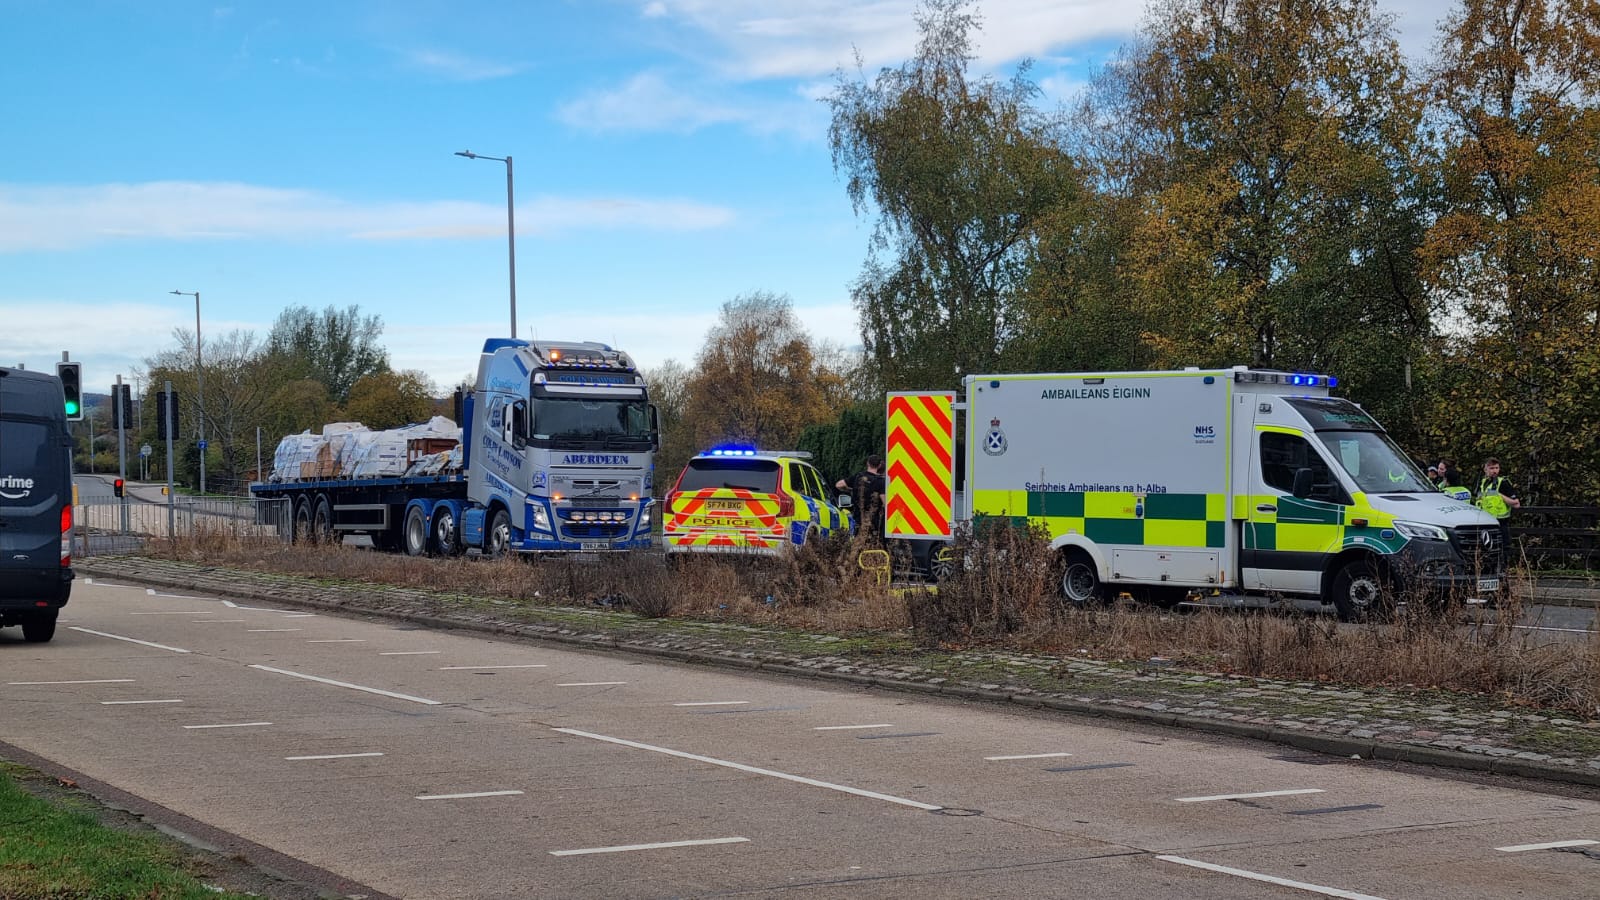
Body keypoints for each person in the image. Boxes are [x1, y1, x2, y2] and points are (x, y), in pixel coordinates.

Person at [836, 455, 886, 538]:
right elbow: (885, 502)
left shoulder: (858, 476)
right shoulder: (880, 481)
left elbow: (838, 485)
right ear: (879, 465)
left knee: (858, 539)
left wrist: (850, 490)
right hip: (874, 521)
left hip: (858, 518)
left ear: (867, 463)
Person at [1476, 457, 1520, 552]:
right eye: (1491, 468)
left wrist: (1500, 495)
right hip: (1485, 522)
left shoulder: (1503, 483)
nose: (1494, 471)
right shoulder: (1483, 483)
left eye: (1496, 468)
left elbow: (1516, 504)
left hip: (1500, 523)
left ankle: (1504, 566)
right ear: (1485, 469)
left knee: (1503, 549)